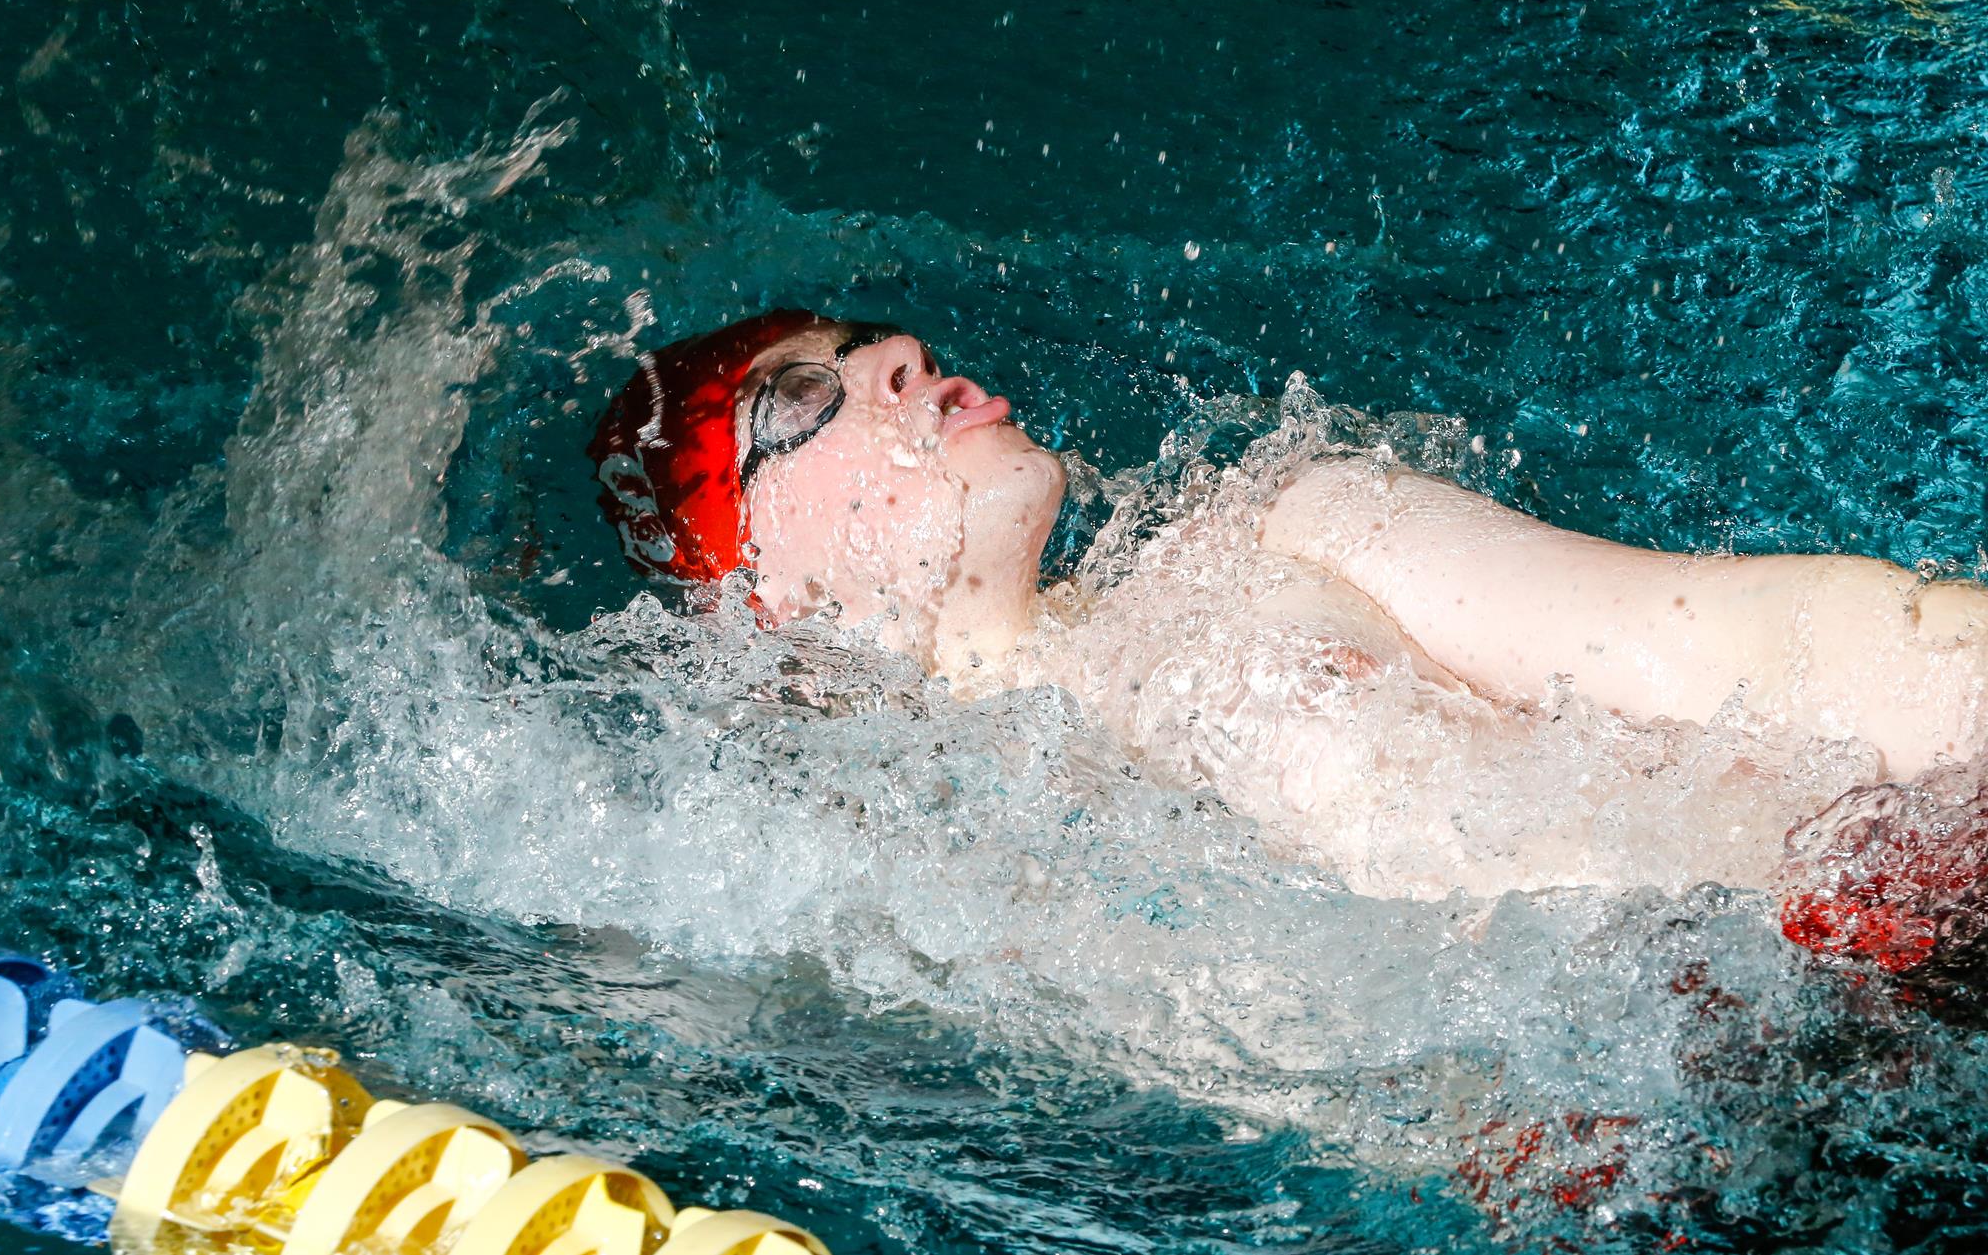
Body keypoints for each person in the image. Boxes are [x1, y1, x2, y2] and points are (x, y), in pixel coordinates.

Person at [590, 310, 1988, 962]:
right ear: (767, 605)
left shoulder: (1279, 536)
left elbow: (1782, 650)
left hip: (1887, 911)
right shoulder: (878, 909)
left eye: (863, 338)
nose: (896, 353)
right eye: (798, 402)